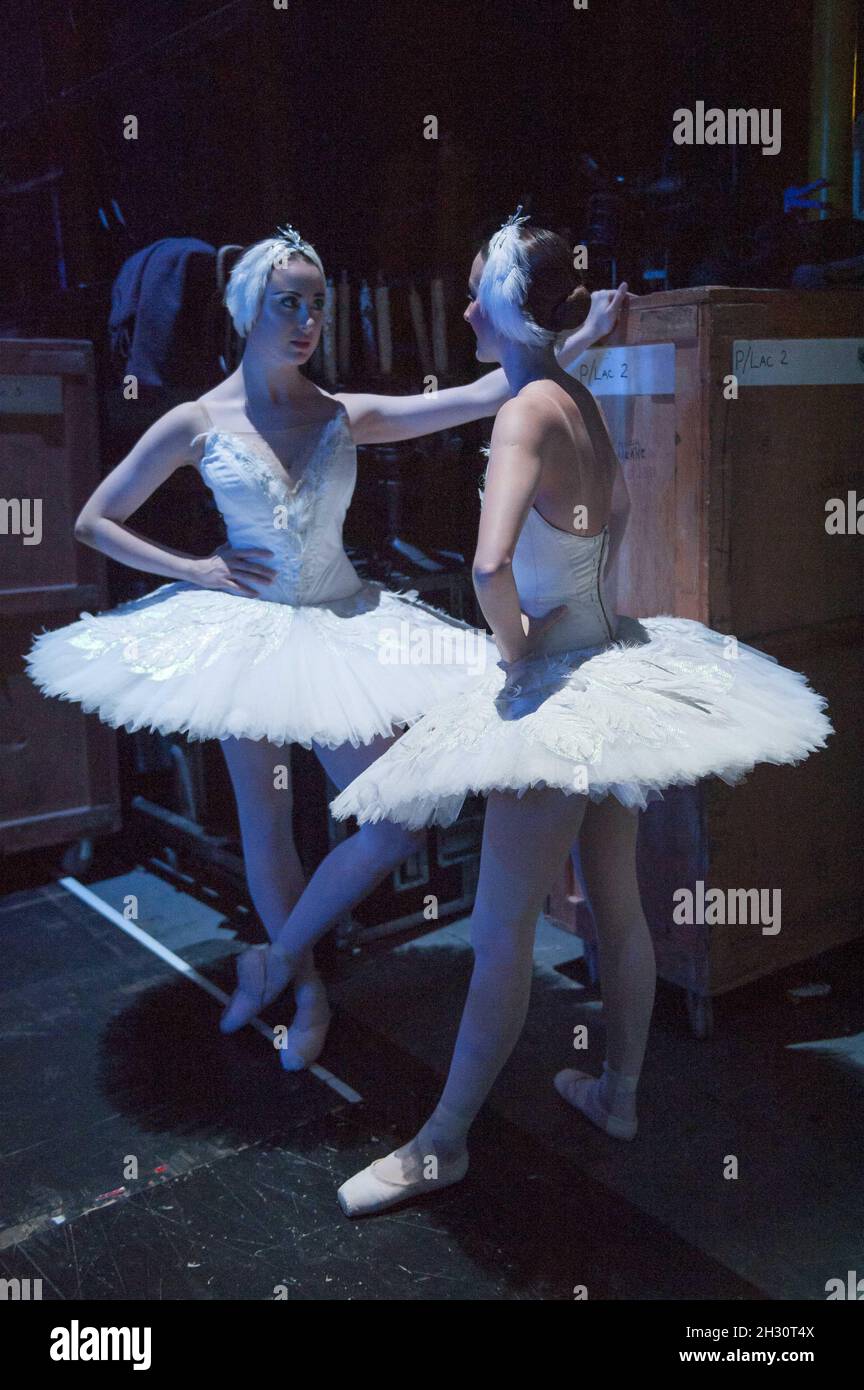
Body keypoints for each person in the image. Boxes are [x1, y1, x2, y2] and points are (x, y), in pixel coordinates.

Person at [223, 210, 833, 1216]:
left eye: (472, 290)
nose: (460, 305)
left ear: (503, 307)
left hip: (559, 689)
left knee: (502, 930)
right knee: (619, 901)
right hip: (615, 662)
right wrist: (579, 341)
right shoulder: (576, 402)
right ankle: (618, 1094)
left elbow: (490, 561)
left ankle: (443, 1142)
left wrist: (513, 666)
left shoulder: (524, 417)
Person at [26, 221, 628, 1068]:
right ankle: (304, 991)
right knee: (264, 823)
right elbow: (94, 520)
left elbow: (484, 394)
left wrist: (579, 338)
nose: (308, 321)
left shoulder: (344, 415)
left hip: (342, 630)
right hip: (244, 636)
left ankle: (270, 960)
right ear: (248, 312)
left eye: (317, 305)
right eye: (289, 305)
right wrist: (196, 567)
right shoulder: (194, 422)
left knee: (395, 818)